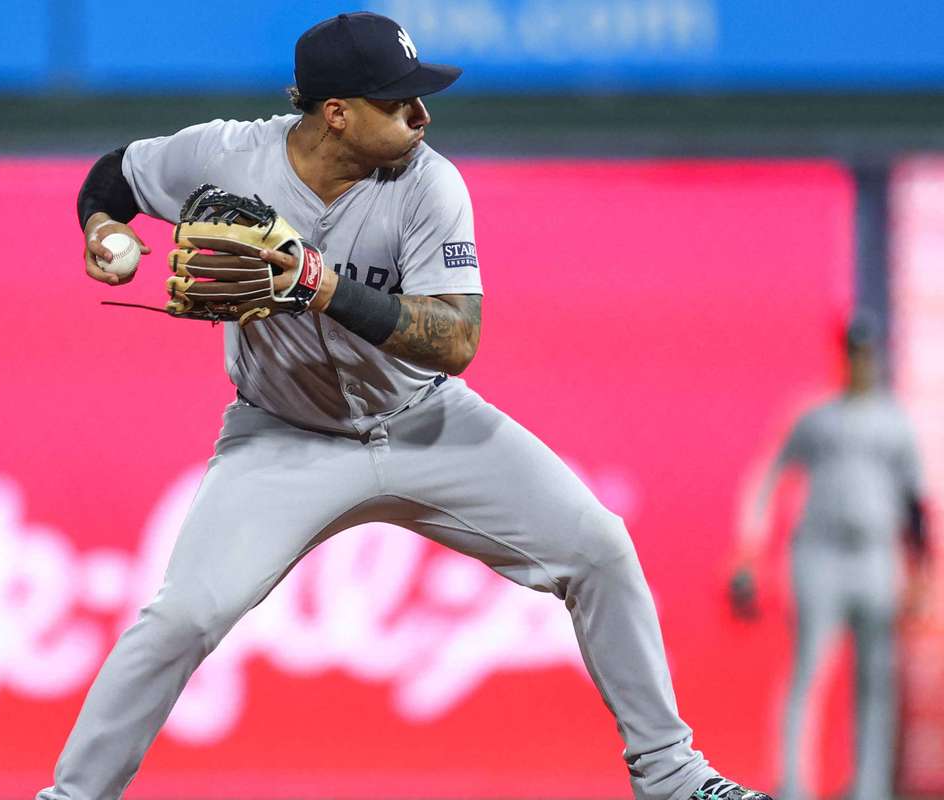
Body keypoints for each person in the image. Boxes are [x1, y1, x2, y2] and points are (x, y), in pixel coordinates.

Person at [39, 12, 771, 800]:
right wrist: (103, 228)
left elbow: (456, 340)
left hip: (427, 422)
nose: (422, 115)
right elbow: (115, 176)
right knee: (183, 616)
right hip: (282, 436)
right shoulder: (227, 156)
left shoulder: (430, 184)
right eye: (398, 102)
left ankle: (670, 774)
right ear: (336, 113)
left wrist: (318, 283)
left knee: (598, 548)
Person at [731, 314, 932, 800]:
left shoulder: (894, 421)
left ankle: (870, 788)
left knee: (876, 676)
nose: (859, 362)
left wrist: (922, 570)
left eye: (865, 353)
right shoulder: (817, 416)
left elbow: (915, 503)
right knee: (808, 668)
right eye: (852, 353)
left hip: (874, 554)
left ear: (875, 358)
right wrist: (750, 549)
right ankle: (793, 784)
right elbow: (768, 477)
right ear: (843, 357)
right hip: (820, 552)